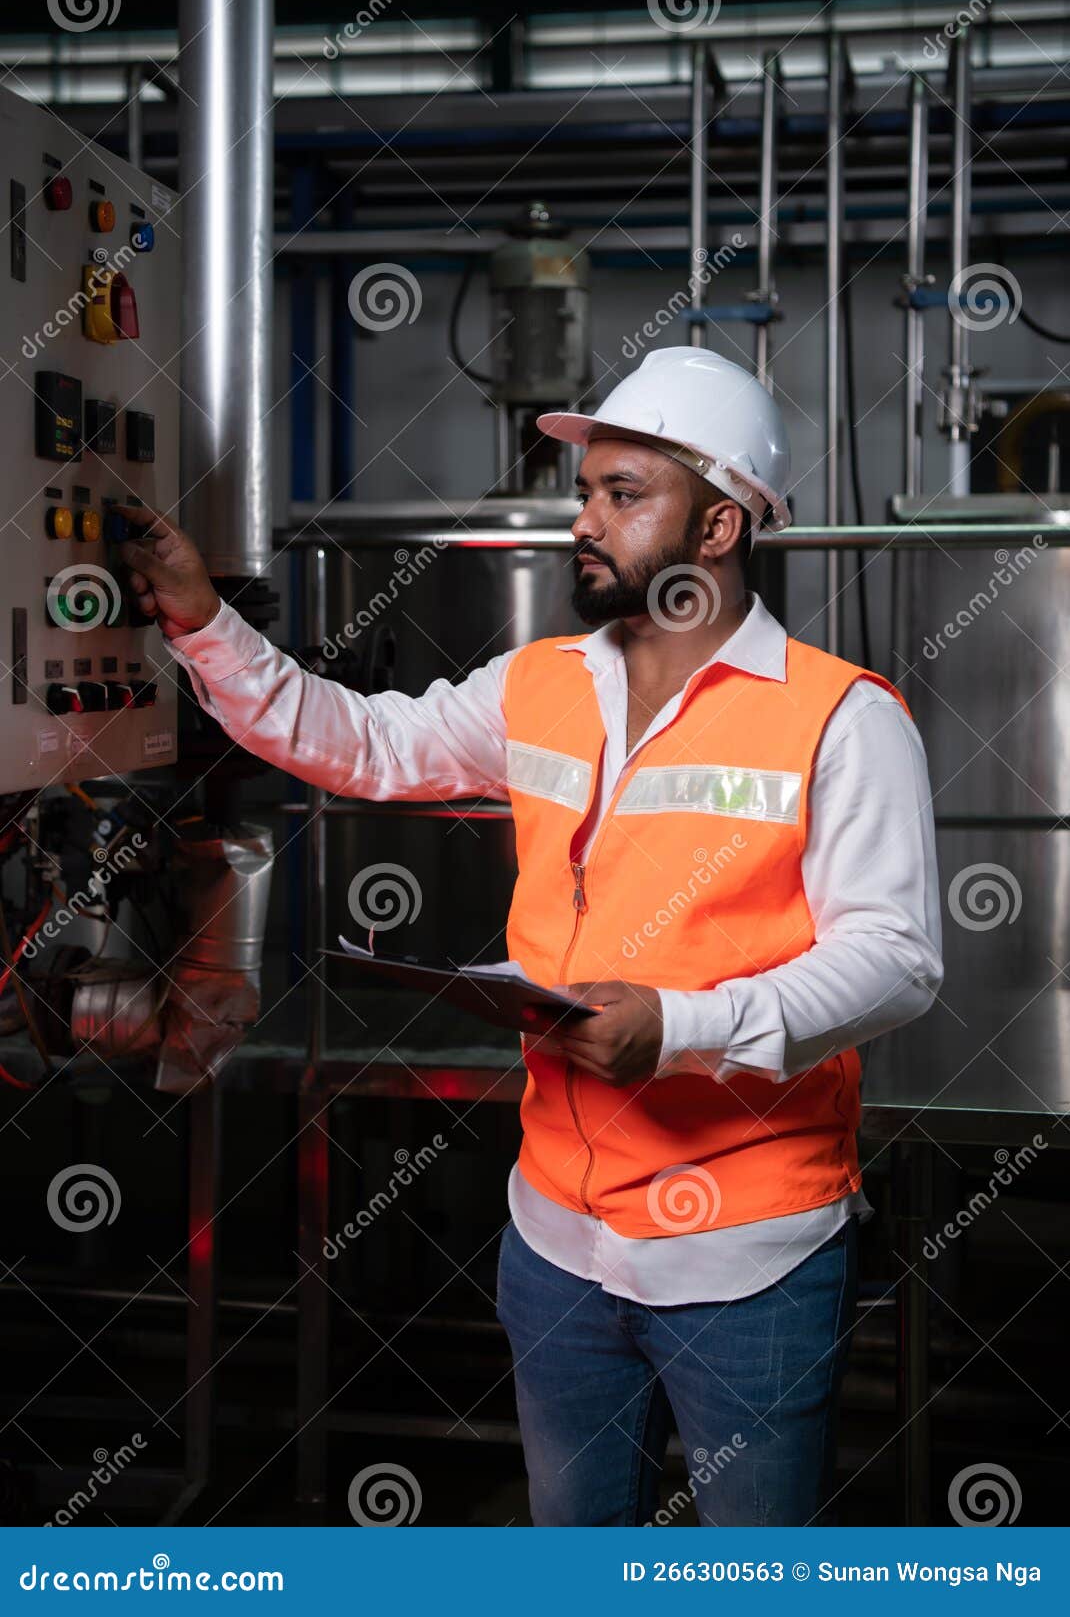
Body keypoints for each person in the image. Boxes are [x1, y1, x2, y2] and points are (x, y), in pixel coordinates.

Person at [120, 345, 943, 1527]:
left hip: (745, 1253)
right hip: (553, 1239)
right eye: (584, 491)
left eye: (622, 494)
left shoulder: (841, 718)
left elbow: (895, 959)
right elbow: (357, 741)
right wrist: (203, 624)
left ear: (718, 527)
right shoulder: (539, 682)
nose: (583, 521)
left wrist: (682, 1023)